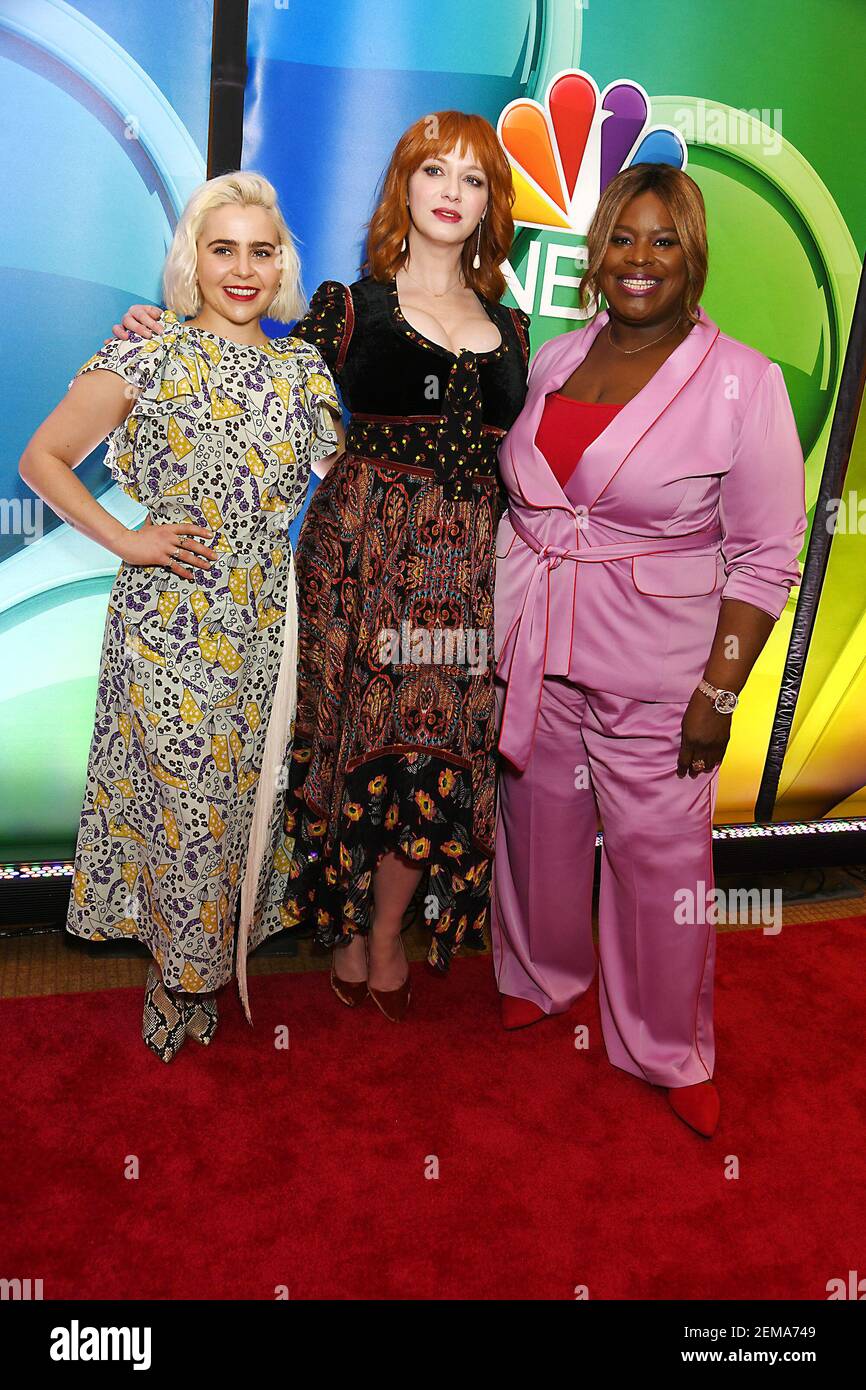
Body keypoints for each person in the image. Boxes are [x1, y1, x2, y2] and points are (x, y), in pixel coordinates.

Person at [113, 111, 531, 1020]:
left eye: (474, 178)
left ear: (491, 201)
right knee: (351, 753)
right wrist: (162, 322)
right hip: (359, 570)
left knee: (430, 764)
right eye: (435, 172)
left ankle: (387, 936)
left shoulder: (518, 326)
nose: (452, 192)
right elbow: (246, 370)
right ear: (404, 189)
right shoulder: (348, 306)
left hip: (465, 579)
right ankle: (341, 931)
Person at [491, 163, 807, 1135]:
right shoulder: (553, 355)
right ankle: (542, 974)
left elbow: (764, 555)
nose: (638, 259)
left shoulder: (741, 382)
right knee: (534, 824)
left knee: (659, 858)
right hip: (537, 643)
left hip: (660, 665)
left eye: (661, 240)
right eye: (622, 238)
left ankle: (665, 1044)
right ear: (594, 255)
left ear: (691, 256)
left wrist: (718, 692)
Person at [19, 172, 343, 1060]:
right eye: (222, 248)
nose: (242, 269)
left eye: (261, 251)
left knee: (236, 807)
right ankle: (175, 981)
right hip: (167, 627)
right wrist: (125, 538)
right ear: (191, 260)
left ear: (282, 265)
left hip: (264, 629)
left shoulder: (301, 369)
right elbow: (42, 457)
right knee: (183, 809)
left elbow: (351, 480)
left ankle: (197, 970)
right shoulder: (147, 353)